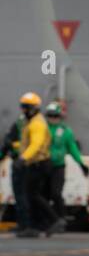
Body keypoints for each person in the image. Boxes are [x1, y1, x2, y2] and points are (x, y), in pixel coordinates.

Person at [44, 103, 89, 229]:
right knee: (43, 195)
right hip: (43, 166)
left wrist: (81, 164)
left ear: (60, 116)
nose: (53, 118)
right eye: (50, 116)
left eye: (55, 116)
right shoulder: (42, 128)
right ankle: (47, 221)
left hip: (58, 167)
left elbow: (73, 148)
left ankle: (61, 219)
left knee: (56, 193)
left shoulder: (65, 131)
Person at [15, 92, 54, 237]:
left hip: (38, 163)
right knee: (33, 194)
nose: (23, 110)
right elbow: (26, 142)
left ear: (34, 108)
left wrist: (22, 158)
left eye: (26, 107)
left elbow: (36, 144)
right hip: (37, 162)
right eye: (23, 107)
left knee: (31, 194)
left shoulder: (37, 123)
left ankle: (43, 223)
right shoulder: (31, 122)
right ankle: (42, 224)